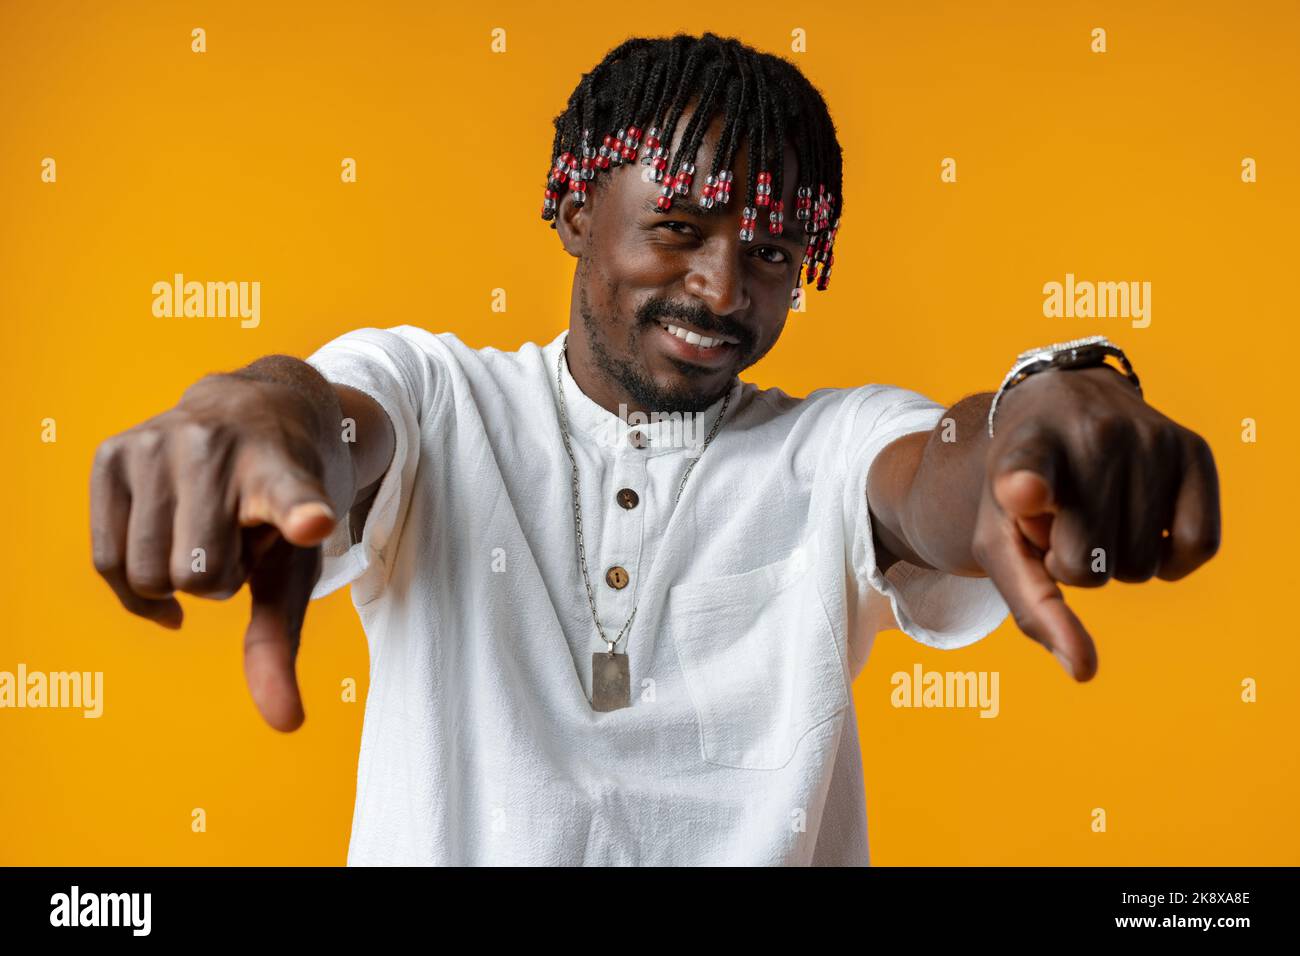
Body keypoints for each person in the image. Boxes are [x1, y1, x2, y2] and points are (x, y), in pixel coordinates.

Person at [89, 32, 1220, 865]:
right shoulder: (443, 399)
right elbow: (332, 417)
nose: (723, 288)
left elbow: (939, 466)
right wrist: (258, 415)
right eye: (678, 227)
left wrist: (1034, 408)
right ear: (578, 210)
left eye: (774, 251)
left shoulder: (824, 450)